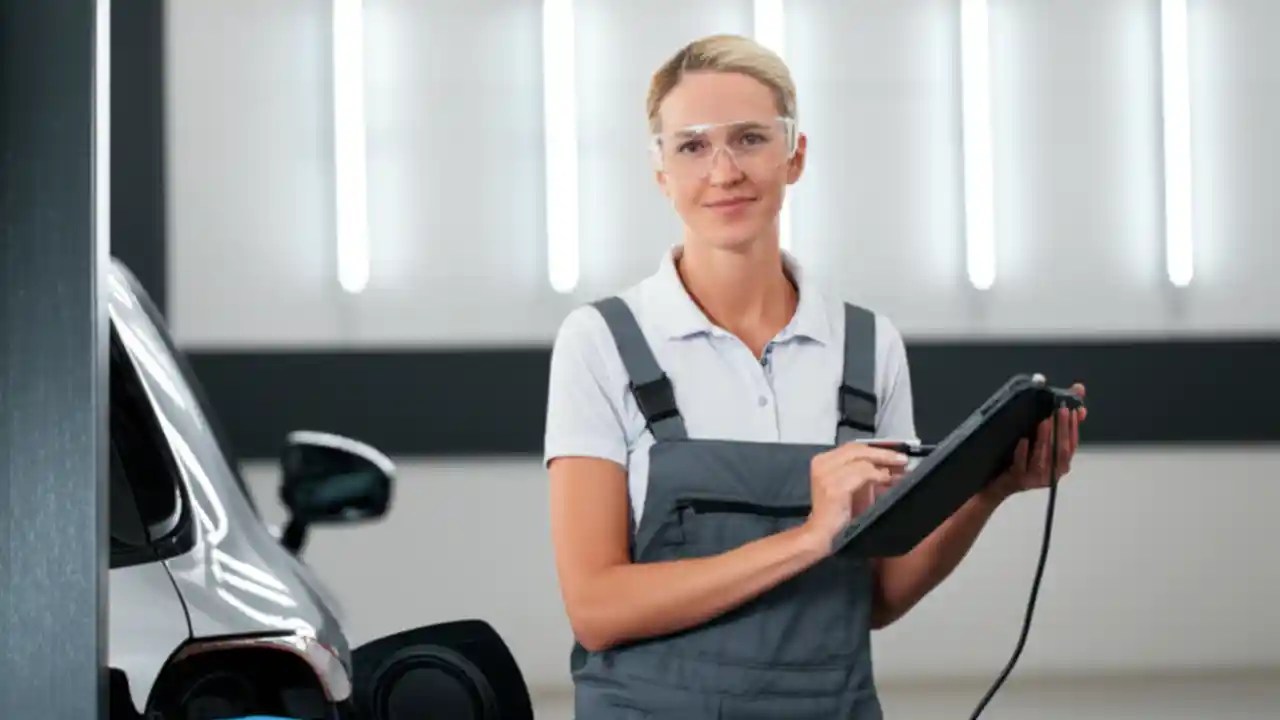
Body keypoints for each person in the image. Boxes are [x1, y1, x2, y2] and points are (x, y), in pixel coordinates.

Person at [543, 33, 1087, 719]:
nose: (723, 171)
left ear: (794, 155)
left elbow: (877, 595)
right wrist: (807, 539)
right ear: (661, 172)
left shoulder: (866, 346)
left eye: (749, 139)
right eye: (692, 146)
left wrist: (989, 489)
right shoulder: (601, 343)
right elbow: (596, 608)